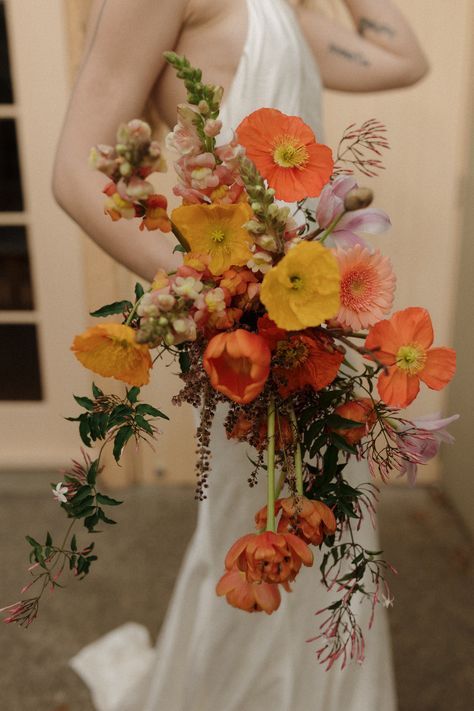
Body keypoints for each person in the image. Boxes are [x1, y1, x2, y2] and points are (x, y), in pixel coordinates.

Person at [53, 1, 428, 709]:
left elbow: (407, 60)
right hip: (247, 333)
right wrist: (216, 294)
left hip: (317, 325)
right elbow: (75, 171)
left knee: (332, 536)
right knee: (248, 532)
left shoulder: (279, 7)